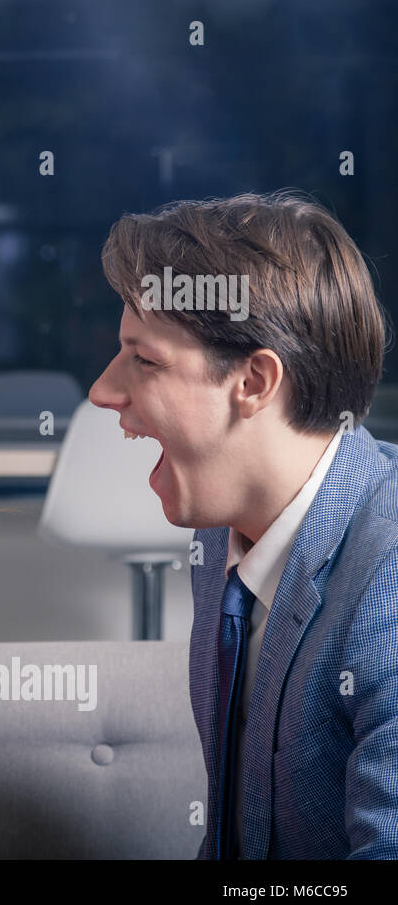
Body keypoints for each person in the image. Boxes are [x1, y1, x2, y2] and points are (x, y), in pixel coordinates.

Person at [89, 190, 398, 858]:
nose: (104, 392)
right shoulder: (224, 530)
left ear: (255, 381)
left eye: (144, 361)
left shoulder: (391, 574)